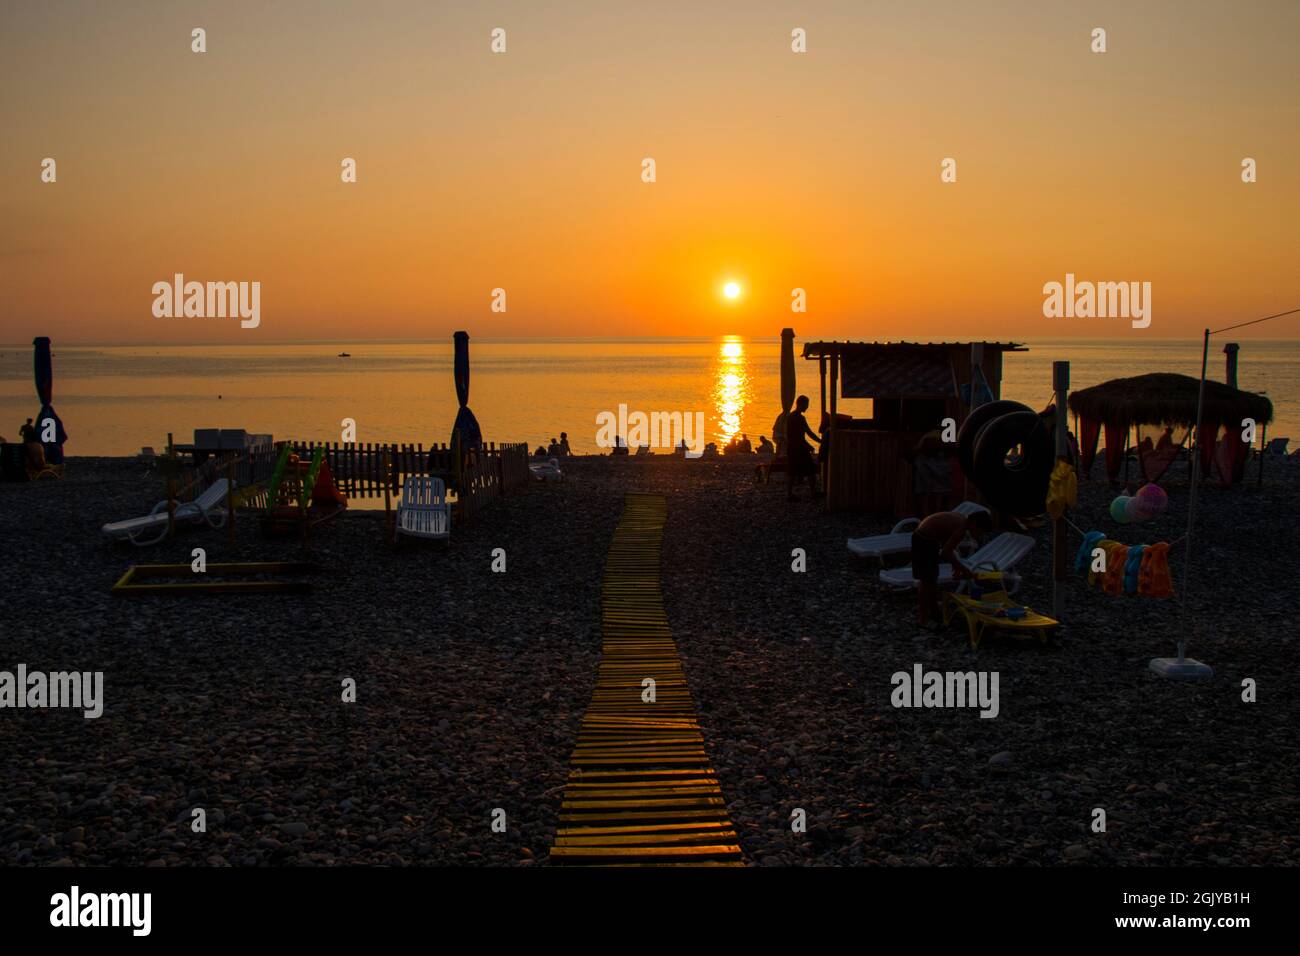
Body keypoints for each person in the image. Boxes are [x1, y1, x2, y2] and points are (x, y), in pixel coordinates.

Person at [911, 509, 994, 628]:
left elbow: (946, 543)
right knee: (926, 580)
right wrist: (963, 569)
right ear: (974, 524)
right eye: (980, 531)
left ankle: (934, 611)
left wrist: (955, 566)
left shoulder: (961, 519)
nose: (980, 535)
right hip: (923, 541)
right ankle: (923, 619)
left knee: (932, 578)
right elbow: (945, 553)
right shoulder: (961, 528)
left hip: (929, 539)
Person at [786, 395, 820, 501]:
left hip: (791, 448)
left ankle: (789, 494)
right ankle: (813, 493)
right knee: (811, 470)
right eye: (806, 405)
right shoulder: (800, 418)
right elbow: (808, 433)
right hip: (800, 448)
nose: (807, 407)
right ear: (801, 404)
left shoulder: (790, 416)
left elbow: (792, 435)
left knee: (792, 472)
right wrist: (820, 442)